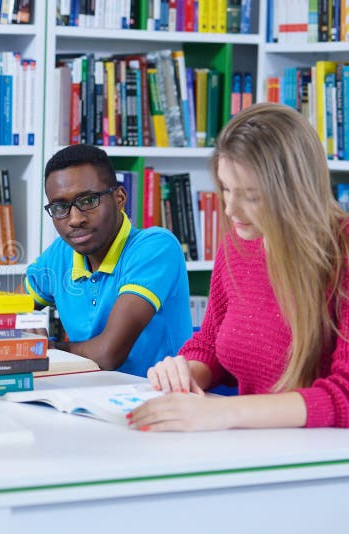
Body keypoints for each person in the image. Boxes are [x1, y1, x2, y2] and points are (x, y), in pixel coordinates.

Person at [129, 102, 349, 431]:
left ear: (294, 191)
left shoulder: (341, 251)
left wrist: (223, 413)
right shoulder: (237, 244)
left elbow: (343, 398)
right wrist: (186, 372)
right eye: (227, 189)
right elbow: (211, 344)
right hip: (253, 447)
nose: (230, 209)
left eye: (250, 195)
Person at [23, 144, 192, 376]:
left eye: (89, 201)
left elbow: (108, 354)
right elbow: (8, 307)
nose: (75, 219)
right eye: (60, 207)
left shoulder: (156, 247)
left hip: (159, 397)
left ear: (119, 198)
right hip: (88, 396)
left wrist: (49, 348)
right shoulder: (62, 253)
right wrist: (23, 329)